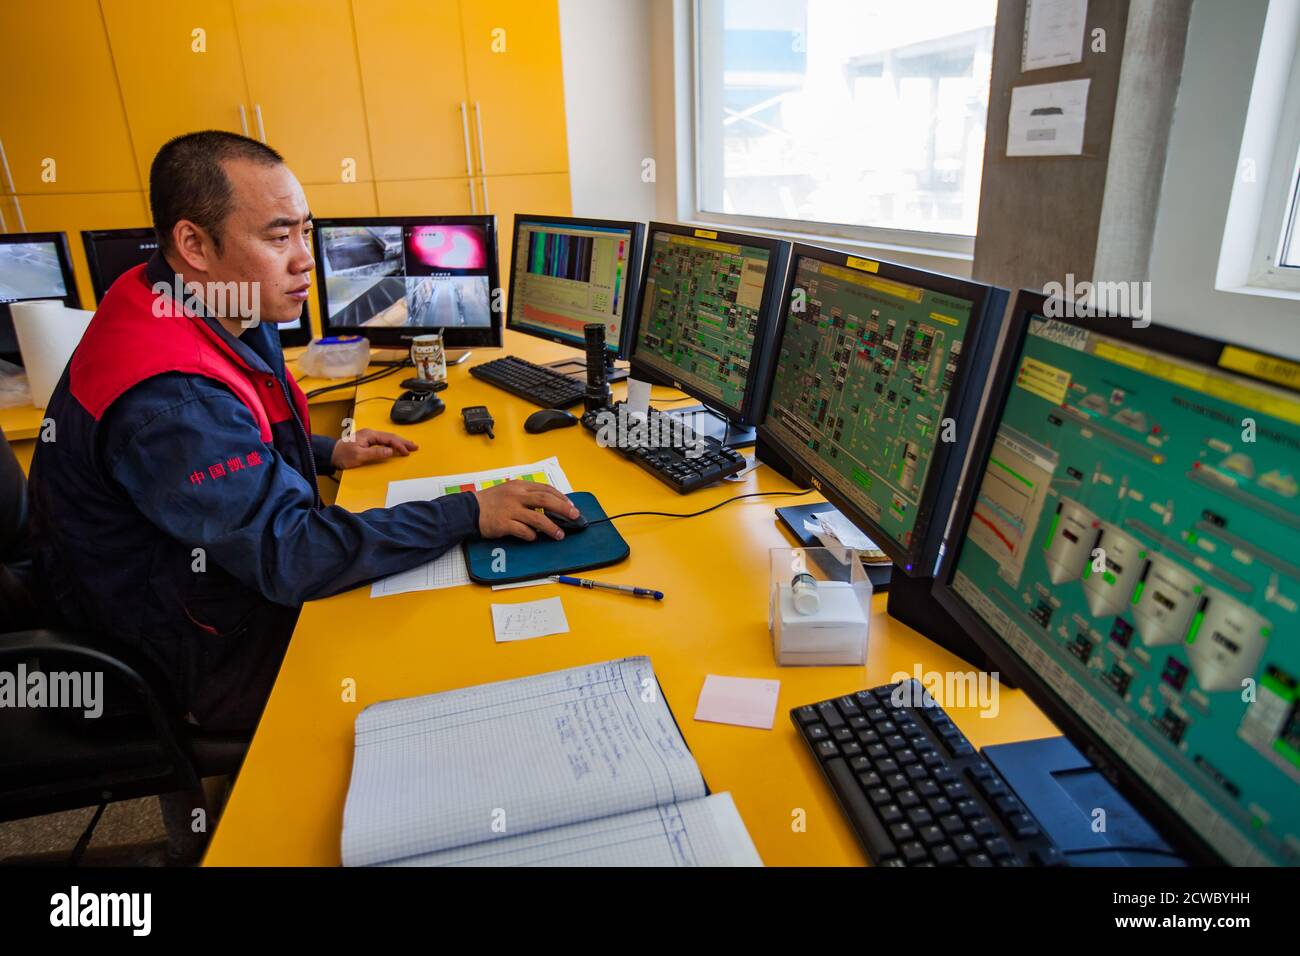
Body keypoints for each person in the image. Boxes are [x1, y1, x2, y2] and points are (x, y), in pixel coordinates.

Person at [28, 130, 577, 730]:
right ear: (194, 244)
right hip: (185, 660)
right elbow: (293, 554)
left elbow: (227, 445)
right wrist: (469, 512)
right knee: (449, 655)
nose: (305, 260)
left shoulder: (189, 296)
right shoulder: (169, 398)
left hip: (199, 589)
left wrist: (328, 451)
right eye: (278, 236)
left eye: (306, 232)